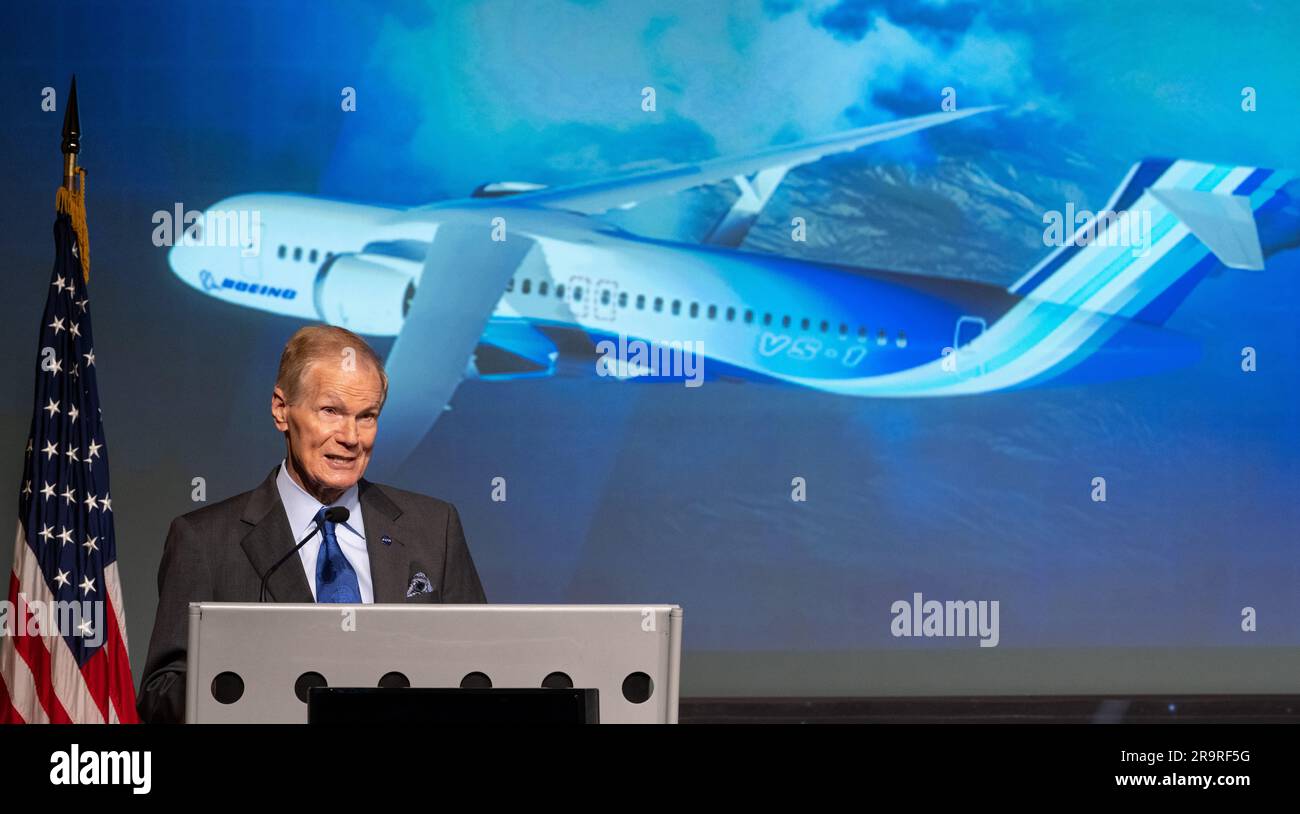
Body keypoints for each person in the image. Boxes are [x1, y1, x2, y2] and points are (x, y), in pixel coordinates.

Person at [137, 325, 486, 723]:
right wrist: (251, 659)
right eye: (331, 412)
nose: (351, 437)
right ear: (281, 410)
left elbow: (479, 676)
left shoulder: (434, 527)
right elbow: (160, 700)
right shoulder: (205, 540)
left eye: (367, 416)